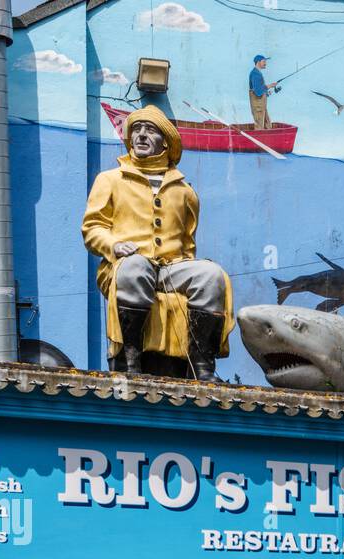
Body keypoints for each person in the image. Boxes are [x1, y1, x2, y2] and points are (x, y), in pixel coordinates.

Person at [82, 105, 234, 381]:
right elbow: (93, 227)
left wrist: (188, 265)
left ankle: (202, 366)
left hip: (171, 268)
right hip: (125, 266)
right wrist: (115, 246)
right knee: (136, 267)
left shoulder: (184, 190)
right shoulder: (110, 180)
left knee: (212, 275)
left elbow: (188, 242)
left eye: (149, 130)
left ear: (165, 140)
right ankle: (131, 361)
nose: (140, 135)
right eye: (136, 130)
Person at [249, 55, 280, 130]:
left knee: (268, 125)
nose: (265, 63)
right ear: (258, 62)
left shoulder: (257, 73)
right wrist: (270, 86)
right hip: (258, 107)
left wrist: (267, 93)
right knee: (260, 127)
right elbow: (258, 92)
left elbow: (259, 91)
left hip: (261, 106)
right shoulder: (255, 74)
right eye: (264, 61)